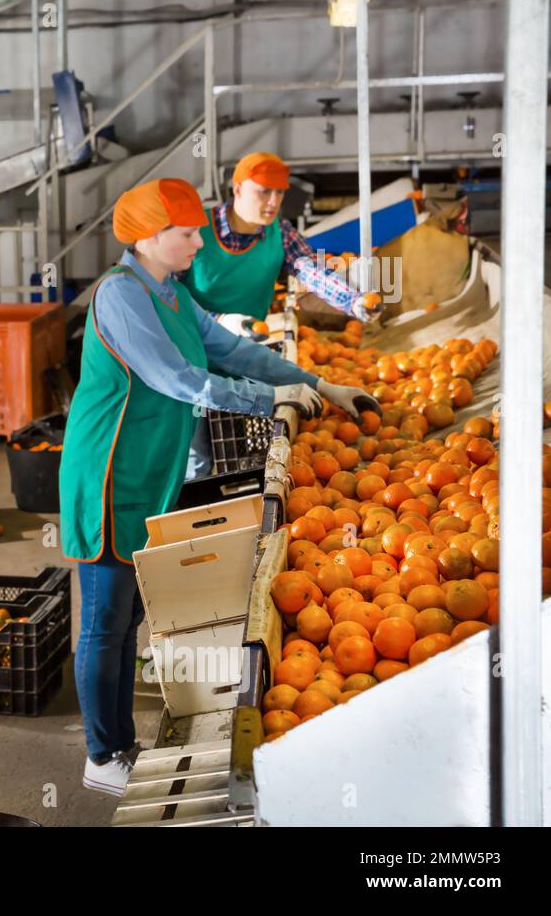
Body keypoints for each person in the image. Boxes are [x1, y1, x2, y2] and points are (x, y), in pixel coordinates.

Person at [58, 178, 378, 799]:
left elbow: (233, 351)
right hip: (106, 476)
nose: (198, 241)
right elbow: (182, 380)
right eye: (186, 233)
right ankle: (102, 753)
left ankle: (120, 742)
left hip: (150, 473)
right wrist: (272, 400)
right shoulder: (121, 297)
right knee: (104, 619)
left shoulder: (169, 293)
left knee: (127, 621)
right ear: (150, 237)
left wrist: (317, 383)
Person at [179, 151, 383, 479]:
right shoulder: (196, 233)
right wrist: (217, 321)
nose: (273, 201)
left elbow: (312, 271)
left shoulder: (279, 233)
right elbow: (168, 300)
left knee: (240, 460)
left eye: (279, 192)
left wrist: (355, 302)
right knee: (195, 463)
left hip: (240, 358)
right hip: (187, 361)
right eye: (264, 191)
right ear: (238, 188)